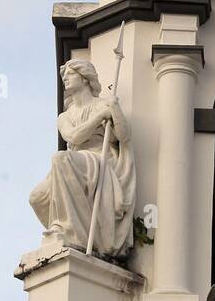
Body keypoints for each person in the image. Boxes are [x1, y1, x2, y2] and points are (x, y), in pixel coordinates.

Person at [29, 58, 136, 258]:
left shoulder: (103, 104)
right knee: (36, 197)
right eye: (64, 77)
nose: (65, 79)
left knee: (60, 159)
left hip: (98, 159)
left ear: (85, 78)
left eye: (69, 75)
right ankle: (76, 228)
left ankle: (65, 229)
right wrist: (98, 118)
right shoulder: (65, 117)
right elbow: (73, 137)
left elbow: (123, 137)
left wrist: (114, 109)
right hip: (74, 161)